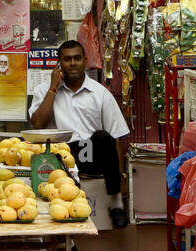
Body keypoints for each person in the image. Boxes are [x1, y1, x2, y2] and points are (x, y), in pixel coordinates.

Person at [29, 39, 131, 227]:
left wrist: (120, 175)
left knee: (102, 137)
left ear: (85, 61)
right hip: (57, 154)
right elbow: (37, 124)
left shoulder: (100, 93)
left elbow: (114, 138)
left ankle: (116, 205)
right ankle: (69, 237)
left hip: (88, 152)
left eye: (77, 58)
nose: (73, 63)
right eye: (67, 59)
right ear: (59, 64)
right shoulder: (44, 90)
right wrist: (53, 88)